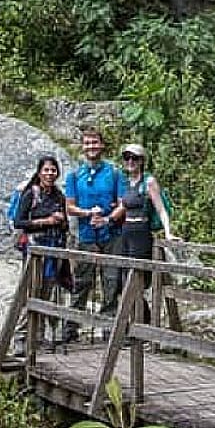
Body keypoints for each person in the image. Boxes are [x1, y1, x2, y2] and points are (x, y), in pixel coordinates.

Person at [64, 126, 124, 326]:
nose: (91, 146)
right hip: (86, 235)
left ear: (102, 145)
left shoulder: (114, 173)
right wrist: (89, 213)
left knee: (111, 281)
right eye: (88, 143)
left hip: (111, 234)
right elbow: (70, 207)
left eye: (95, 142)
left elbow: (122, 204)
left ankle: (109, 330)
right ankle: (71, 329)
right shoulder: (74, 175)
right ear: (82, 146)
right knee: (81, 282)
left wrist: (107, 219)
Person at [12, 155, 72, 340]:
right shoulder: (31, 193)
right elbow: (19, 222)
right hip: (35, 251)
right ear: (39, 172)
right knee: (31, 292)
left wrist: (61, 221)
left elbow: (66, 225)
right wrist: (46, 221)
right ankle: (22, 337)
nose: (50, 173)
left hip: (53, 250)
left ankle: (37, 337)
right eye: (46, 170)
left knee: (47, 292)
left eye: (53, 170)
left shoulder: (59, 196)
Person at [116, 143, 175, 322]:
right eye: (127, 158)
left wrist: (168, 232)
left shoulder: (148, 182)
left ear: (142, 161)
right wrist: (104, 220)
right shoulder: (126, 182)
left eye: (135, 158)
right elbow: (121, 208)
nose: (130, 162)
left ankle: (142, 323)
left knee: (137, 280)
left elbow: (161, 209)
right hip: (126, 232)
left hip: (141, 234)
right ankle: (136, 321)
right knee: (122, 279)